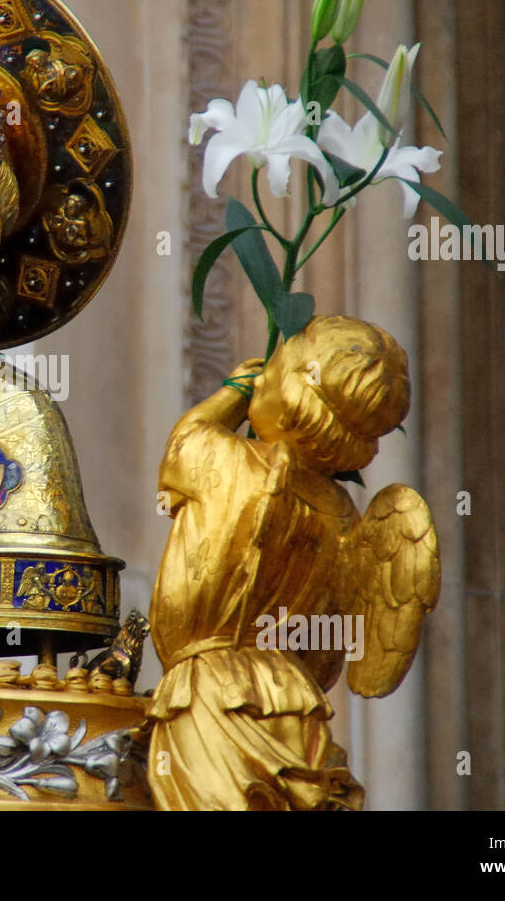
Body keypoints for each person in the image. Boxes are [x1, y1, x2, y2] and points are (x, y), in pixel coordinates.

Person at [146, 315, 419, 810]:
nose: (257, 383)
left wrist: (231, 391)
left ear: (292, 402)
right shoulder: (347, 517)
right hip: (296, 696)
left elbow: (184, 441)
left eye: (265, 377)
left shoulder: (235, 464)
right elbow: (330, 647)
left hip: (214, 689)